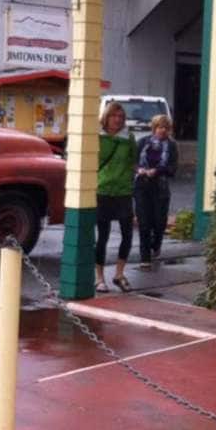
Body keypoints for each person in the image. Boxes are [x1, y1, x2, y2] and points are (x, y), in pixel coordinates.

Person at [93, 101, 136, 293]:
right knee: (102, 235)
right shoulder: (97, 137)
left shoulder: (129, 138)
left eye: (120, 117)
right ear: (106, 117)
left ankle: (119, 274)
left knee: (127, 233)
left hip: (123, 191)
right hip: (102, 190)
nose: (117, 120)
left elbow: (133, 161)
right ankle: (99, 277)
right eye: (113, 116)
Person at [135, 114, 179, 270]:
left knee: (159, 222)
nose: (163, 130)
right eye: (160, 127)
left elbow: (173, 169)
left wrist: (158, 171)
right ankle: (145, 257)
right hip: (142, 186)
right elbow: (132, 162)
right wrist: (139, 170)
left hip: (161, 188)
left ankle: (156, 245)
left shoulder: (172, 146)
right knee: (144, 223)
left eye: (166, 128)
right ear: (154, 128)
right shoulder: (143, 143)